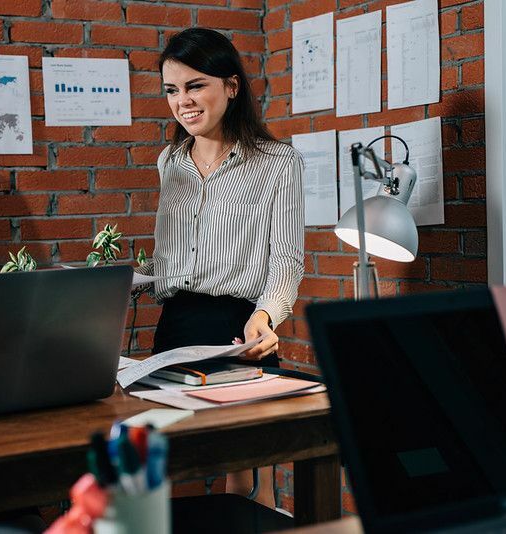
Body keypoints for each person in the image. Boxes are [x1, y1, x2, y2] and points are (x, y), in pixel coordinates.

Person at [144, 28, 305, 507]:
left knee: (247, 475)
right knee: (163, 462)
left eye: (195, 86)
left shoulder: (279, 162)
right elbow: (169, 253)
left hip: (241, 327)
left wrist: (267, 316)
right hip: (176, 326)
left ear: (231, 87)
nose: (183, 101)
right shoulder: (169, 161)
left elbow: (287, 259)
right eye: (172, 90)